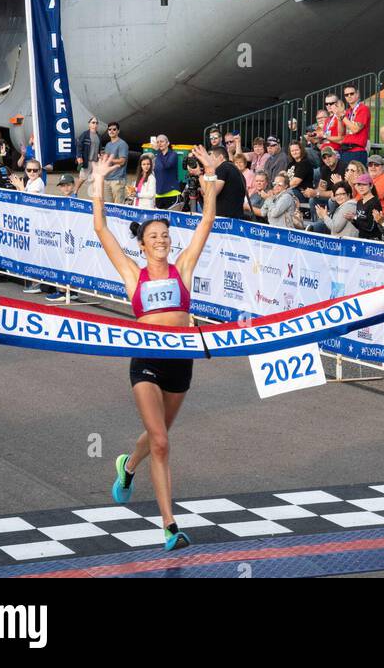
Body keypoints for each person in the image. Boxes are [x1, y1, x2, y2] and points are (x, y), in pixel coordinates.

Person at [91, 146, 221, 552]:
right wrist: (97, 182)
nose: (162, 240)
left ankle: (127, 467)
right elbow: (101, 231)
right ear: (144, 245)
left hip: (179, 364)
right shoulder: (134, 274)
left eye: (165, 235)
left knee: (158, 435)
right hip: (146, 362)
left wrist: (211, 183)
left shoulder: (183, 268)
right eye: (154, 237)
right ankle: (169, 527)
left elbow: (207, 221)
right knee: (161, 441)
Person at [338, 84, 371, 169]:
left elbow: (356, 129)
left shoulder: (363, 109)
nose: (349, 96)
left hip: (357, 151)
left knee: (356, 179)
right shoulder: (348, 111)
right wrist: (338, 116)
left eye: (351, 93)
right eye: (346, 95)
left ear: (357, 94)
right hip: (345, 150)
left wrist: (342, 116)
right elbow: (340, 133)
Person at [102, 121, 129, 204]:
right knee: (108, 208)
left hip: (117, 180)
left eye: (114, 129)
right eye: (109, 129)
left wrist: (109, 159)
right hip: (107, 180)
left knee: (118, 208)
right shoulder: (108, 145)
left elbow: (122, 161)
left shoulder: (122, 144)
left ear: (118, 131)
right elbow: (105, 160)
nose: (111, 131)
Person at [151, 135, 181, 210]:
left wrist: (158, 151)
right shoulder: (157, 156)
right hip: (159, 193)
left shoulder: (173, 154)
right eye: (157, 142)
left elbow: (167, 165)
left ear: (167, 143)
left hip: (171, 192)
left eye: (162, 141)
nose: (159, 143)